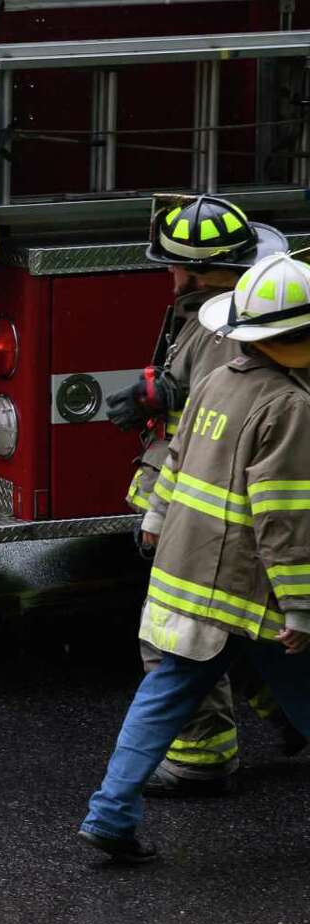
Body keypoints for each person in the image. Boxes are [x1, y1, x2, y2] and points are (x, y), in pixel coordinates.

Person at [78, 251, 310, 865]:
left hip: (184, 576)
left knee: (159, 702)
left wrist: (155, 520)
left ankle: (109, 814)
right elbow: (284, 520)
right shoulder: (290, 406)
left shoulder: (217, 378)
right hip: (248, 594)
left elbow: (175, 458)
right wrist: (301, 606)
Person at [105, 195, 287, 795]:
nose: (167, 275)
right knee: (240, 628)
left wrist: (160, 508)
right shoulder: (212, 311)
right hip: (201, 496)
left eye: (172, 265)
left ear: (197, 269)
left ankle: (199, 759)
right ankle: (288, 717)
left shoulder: (220, 322)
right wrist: (158, 389)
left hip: (200, 501)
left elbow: (212, 419)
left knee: (184, 637)